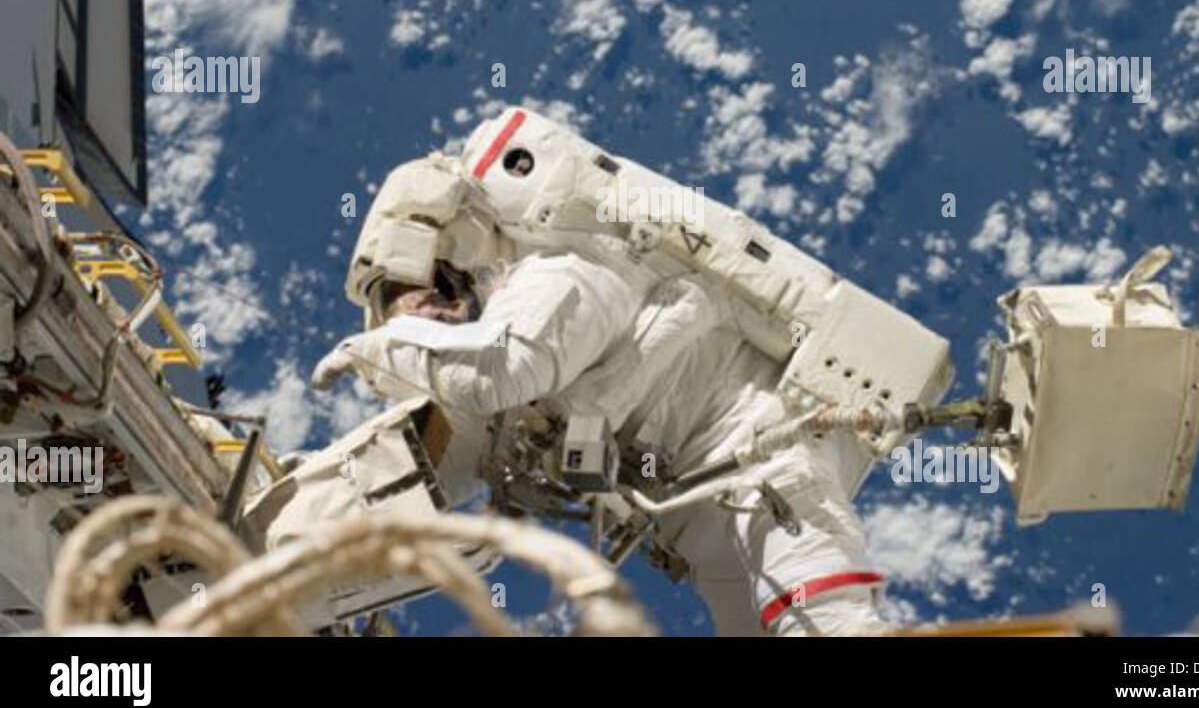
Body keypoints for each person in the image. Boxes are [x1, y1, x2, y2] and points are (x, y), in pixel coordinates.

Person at [312, 153, 887, 636]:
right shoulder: (496, 392)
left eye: (424, 292)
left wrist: (372, 347)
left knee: (822, 618)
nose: (422, 313)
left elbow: (501, 369)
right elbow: (416, 475)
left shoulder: (565, 273)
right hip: (695, 507)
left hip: (761, 450)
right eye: (398, 305)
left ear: (456, 261)